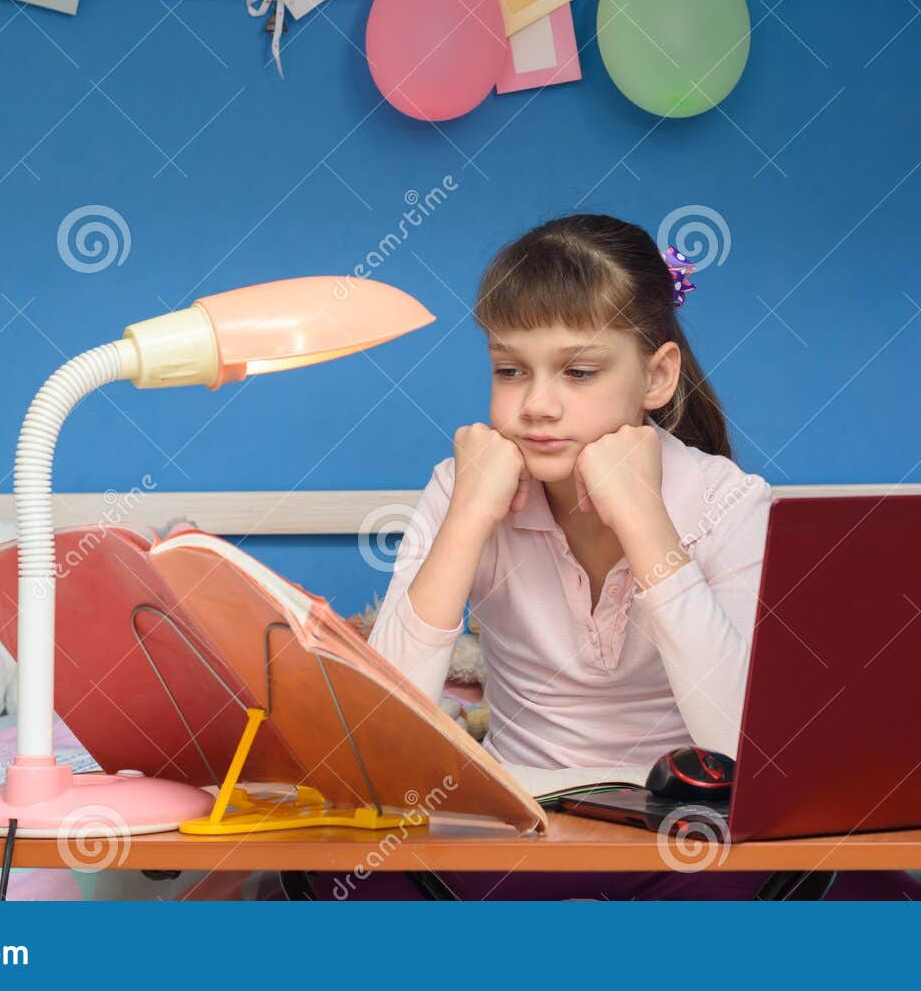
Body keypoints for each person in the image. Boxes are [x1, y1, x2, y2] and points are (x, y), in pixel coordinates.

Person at [281, 214, 780, 900]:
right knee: (326, 883)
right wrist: (467, 518)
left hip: (685, 840)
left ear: (658, 376)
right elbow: (379, 741)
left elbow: (742, 749)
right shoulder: (462, 487)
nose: (537, 406)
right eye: (510, 370)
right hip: (514, 836)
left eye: (579, 372)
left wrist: (644, 520)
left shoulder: (731, 502)